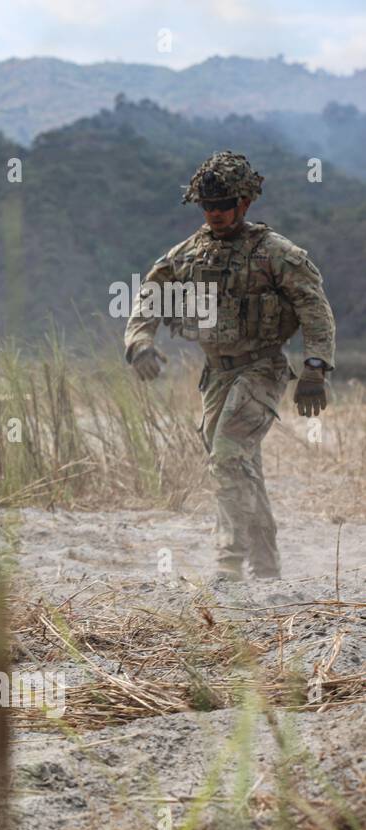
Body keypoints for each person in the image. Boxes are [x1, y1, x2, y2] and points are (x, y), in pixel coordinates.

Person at [124, 151, 335, 581]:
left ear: (245, 203)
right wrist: (140, 341)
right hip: (216, 375)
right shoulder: (188, 254)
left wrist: (314, 369)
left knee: (226, 456)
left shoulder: (278, 254)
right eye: (208, 206)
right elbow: (150, 294)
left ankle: (229, 563)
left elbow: (315, 311)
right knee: (240, 465)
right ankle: (267, 566)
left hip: (263, 369)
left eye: (223, 205)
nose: (215, 214)